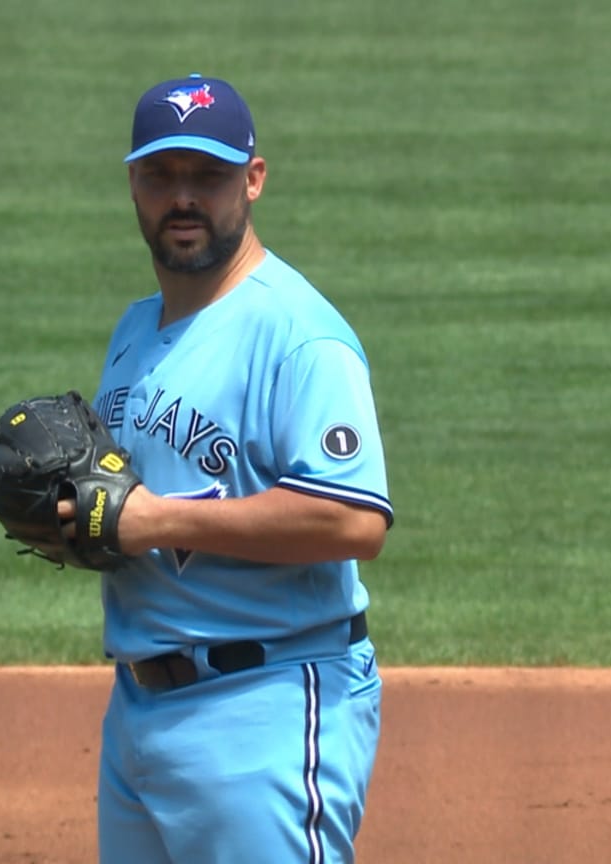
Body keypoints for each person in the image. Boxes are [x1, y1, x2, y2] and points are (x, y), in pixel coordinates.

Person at [62, 73, 394, 863]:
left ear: (253, 179)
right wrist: (76, 526)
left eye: (207, 177)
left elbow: (354, 519)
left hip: (266, 708)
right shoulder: (137, 329)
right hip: (139, 714)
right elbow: (129, 504)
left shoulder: (299, 336)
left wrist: (153, 522)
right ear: (133, 183)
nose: (183, 199)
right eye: (160, 176)